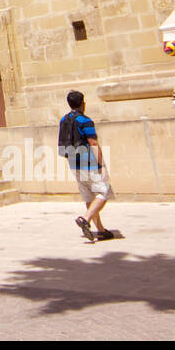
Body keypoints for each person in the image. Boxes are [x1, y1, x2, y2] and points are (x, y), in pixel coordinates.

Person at [61, 91, 115, 242]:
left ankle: (101, 230)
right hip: (89, 162)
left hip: (73, 162)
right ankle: (85, 219)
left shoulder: (63, 120)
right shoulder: (85, 120)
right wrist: (101, 164)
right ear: (82, 103)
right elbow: (93, 143)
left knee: (89, 195)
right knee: (104, 191)